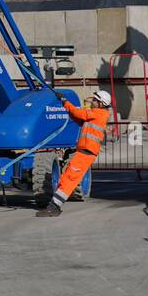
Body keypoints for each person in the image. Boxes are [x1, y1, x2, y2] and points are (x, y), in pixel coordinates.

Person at [37, 89, 111, 217]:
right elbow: (78, 118)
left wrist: (65, 102)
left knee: (70, 179)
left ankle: (54, 207)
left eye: (95, 100)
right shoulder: (96, 114)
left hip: (86, 153)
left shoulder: (99, 113)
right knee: (66, 177)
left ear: (101, 103)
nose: (92, 101)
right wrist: (67, 108)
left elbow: (79, 113)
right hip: (84, 151)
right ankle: (54, 205)